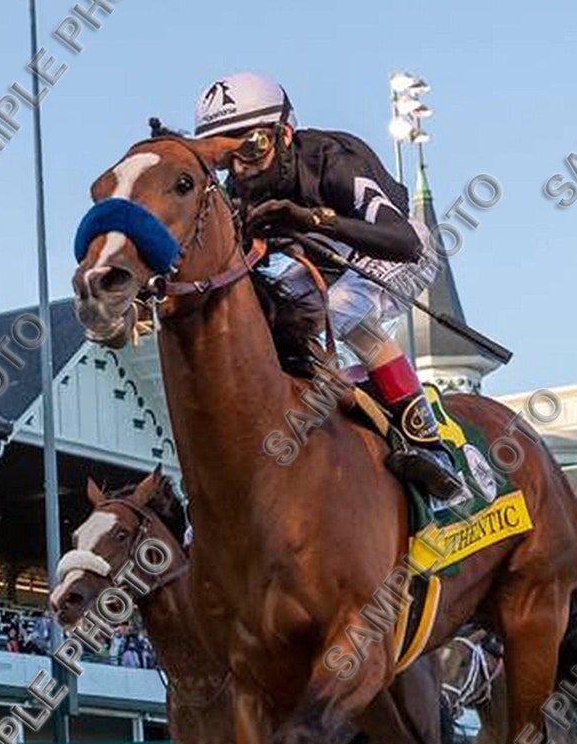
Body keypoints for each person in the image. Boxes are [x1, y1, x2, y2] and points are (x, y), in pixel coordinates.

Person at [192, 72, 464, 501]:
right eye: (225, 156)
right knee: (267, 323)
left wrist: (313, 219)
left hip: (399, 249)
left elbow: (404, 241)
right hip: (327, 263)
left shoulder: (332, 159)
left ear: (284, 134)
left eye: (253, 146)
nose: (240, 167)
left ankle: (431, 447)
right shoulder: (237, 191)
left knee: (338, 309)